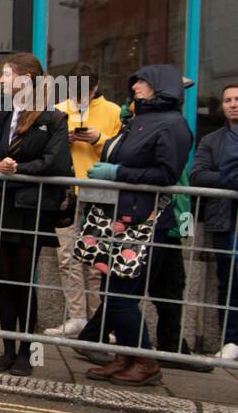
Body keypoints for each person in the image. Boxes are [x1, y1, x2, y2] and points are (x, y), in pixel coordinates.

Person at [79, 66, 194, 386]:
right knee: (112, 290)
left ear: (161, 86)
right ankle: (126, 357)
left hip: (148, 222)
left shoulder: (173, 126)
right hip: (123, 219)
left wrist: (116, 173)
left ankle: (144, 361)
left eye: (143, 82)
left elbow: (165, 174)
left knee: (121, 296)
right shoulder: (139, 120)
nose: (136, 87)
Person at [0, 53, 73, 376]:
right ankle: (6, 349)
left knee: (22, 279)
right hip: (1, 207)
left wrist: (18, 169)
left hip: (30, 210)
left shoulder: (53, 118)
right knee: (3, 280)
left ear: (26, 79)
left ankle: (26, 351)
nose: (2, 81)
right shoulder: (1, 115)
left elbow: (56, 161)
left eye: (6, 74)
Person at [45, 63, 121, 338]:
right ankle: (76, 316)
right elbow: (46, 151)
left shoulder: (113, 111)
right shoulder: (58, 110)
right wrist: (61, 141)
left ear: (95, 87)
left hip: (100, 195)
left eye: (84, 89)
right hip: (66, 193)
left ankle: (98, 323)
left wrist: (99, 139)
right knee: (67, 258)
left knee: (96, 262)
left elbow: (123, 151)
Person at [191, 83, 238, 360]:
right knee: (230, 279)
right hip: (225, 220)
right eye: (228, 100)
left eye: (237, 99)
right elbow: (198, 175)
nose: (233, 103)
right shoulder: (212, 140)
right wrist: (233, 181)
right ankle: (232, 339)